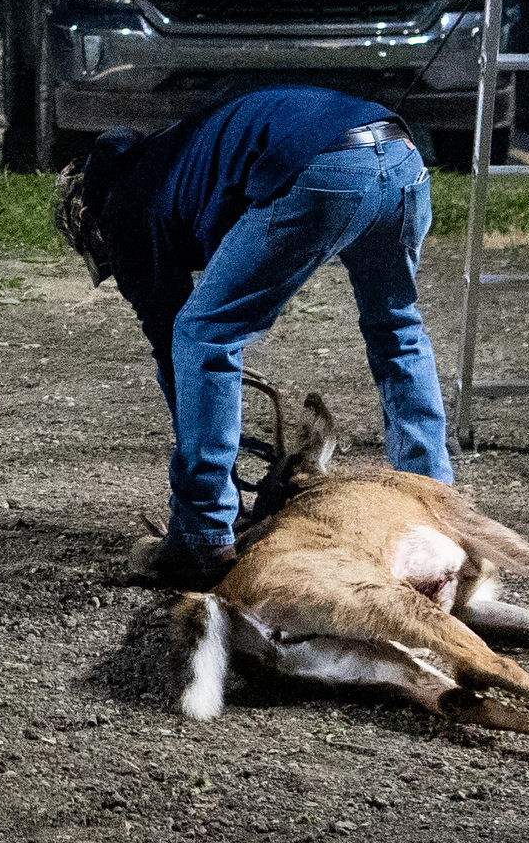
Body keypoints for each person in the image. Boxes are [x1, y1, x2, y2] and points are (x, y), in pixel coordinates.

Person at [51, 86, 451, 589]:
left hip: (327, 167)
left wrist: (203, 454)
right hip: (401, 156)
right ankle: (435, 503)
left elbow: (176, 342)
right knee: (396, 328)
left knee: (202, 336)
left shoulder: (128, 203)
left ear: (92, 209)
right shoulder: (181, 158)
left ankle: (203, 534)